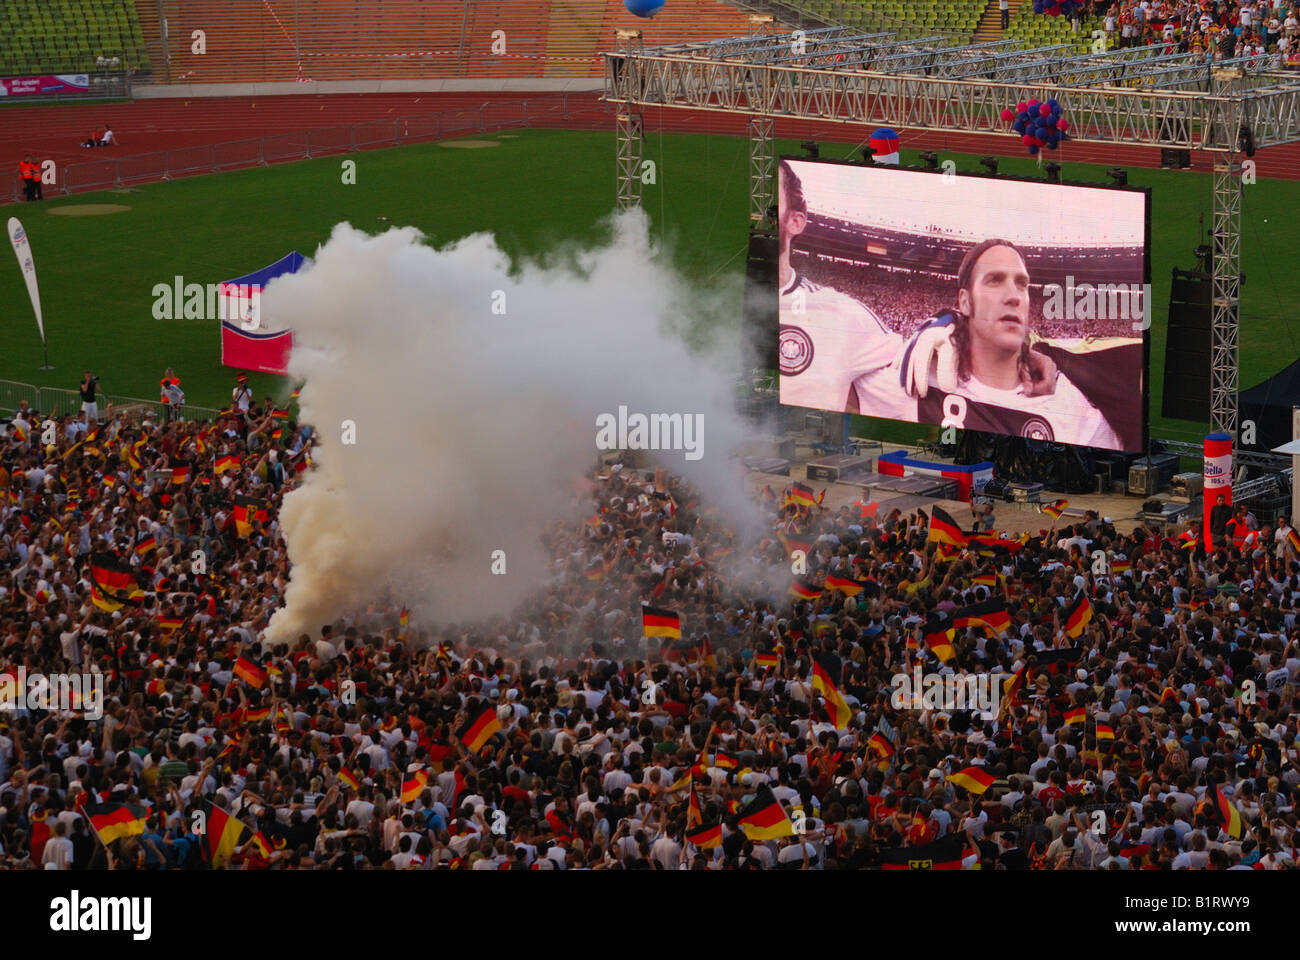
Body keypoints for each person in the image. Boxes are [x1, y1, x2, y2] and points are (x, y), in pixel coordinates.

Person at [914, 239, 1123, 449]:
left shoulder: (1071, 407)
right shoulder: (921, 375)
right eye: (995, 280)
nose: (1014, 296)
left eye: (1022, 284)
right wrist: (934, 324)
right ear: (965, 302)